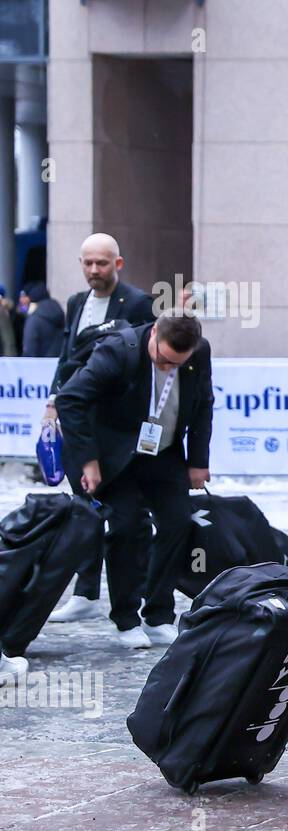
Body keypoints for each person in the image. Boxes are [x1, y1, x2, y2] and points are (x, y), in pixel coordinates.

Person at [54, 313, 213, 649]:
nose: (168, 368)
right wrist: (89, 460)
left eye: (177, 364)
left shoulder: (198, 353)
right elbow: (70, 400)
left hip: (164, 451)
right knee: (127, 528)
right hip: (114, 454)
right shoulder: (116, 352)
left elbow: (203, 406)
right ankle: (126, 620)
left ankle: (158, 616)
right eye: (163, 359)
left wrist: (198, 461)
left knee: (177, 523)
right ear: (153, 333)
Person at [45, 233, 157, 624]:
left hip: (118, 425)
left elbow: (146, 361)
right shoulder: (76, 302)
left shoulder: (139, 302)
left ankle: (128, 598)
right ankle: (85, 590)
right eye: (88, 263)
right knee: (83, 506)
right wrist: (54, 401)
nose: (94, 270)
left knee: (127, 515)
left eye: (102, 263)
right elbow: (66, 356)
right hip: (78, 416)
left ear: (118, 264)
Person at [18, 282, 66, 358]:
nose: (21, 300)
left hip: (39, 366)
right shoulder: (60, 313)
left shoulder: (35, 318)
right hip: (58, 364)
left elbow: (29, 350)